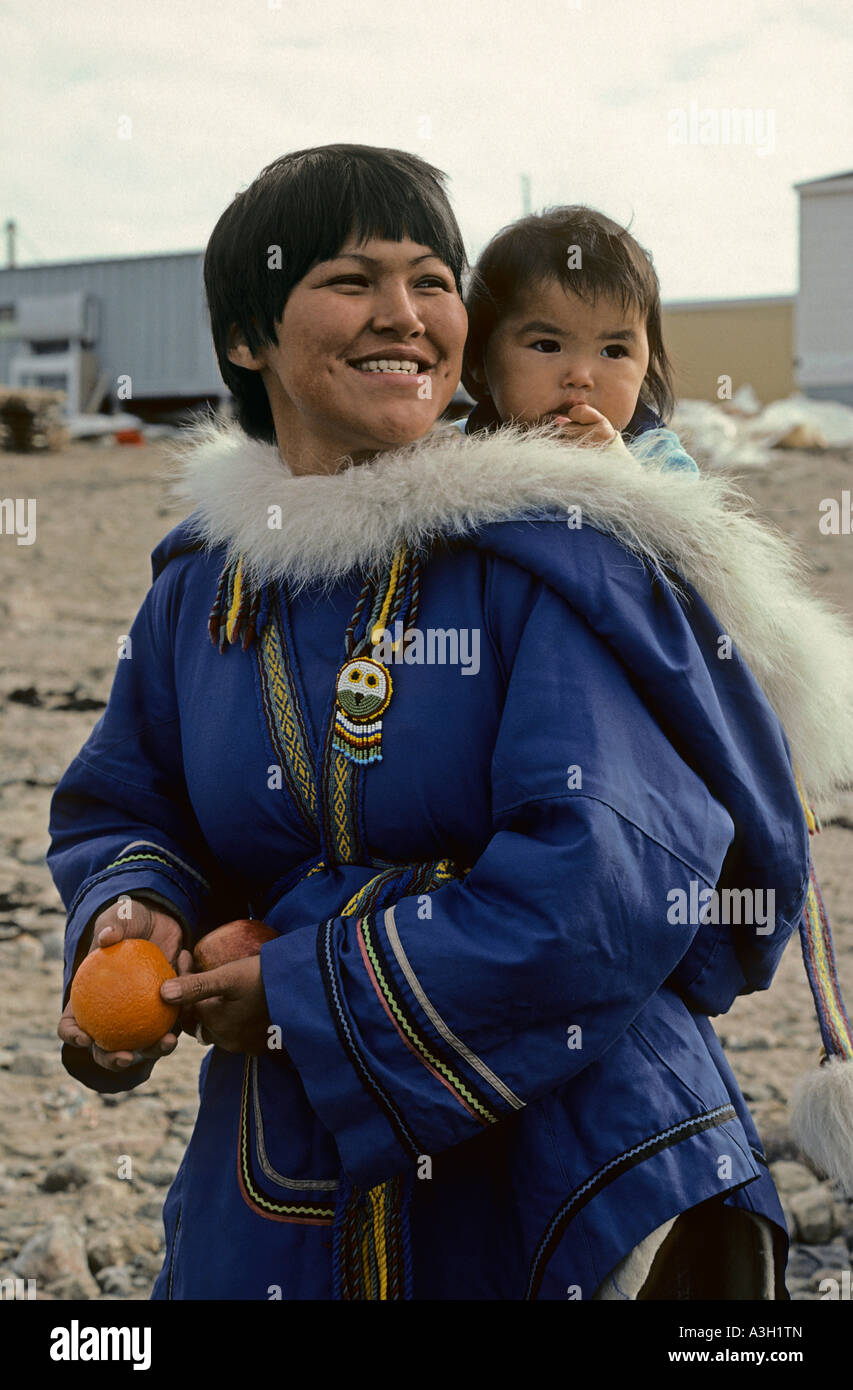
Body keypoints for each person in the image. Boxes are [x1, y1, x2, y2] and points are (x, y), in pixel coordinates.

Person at [48, 144, 853, 1301]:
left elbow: (607, 881)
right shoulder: (201, 588)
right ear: (246, 337)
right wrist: (133, 922)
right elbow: (131, 800)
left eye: (432, 280)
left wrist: (306, 985)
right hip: (284, 1170)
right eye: (349, 279)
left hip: (580, 1160)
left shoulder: (555, 556)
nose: (405, 316)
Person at [458, 204, 698, 477]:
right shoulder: (463, 446)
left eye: (614, 351)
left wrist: (617, 468)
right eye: (548, 346)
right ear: (479, 360)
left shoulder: (655, 454)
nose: (580, 377)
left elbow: (681, 516)